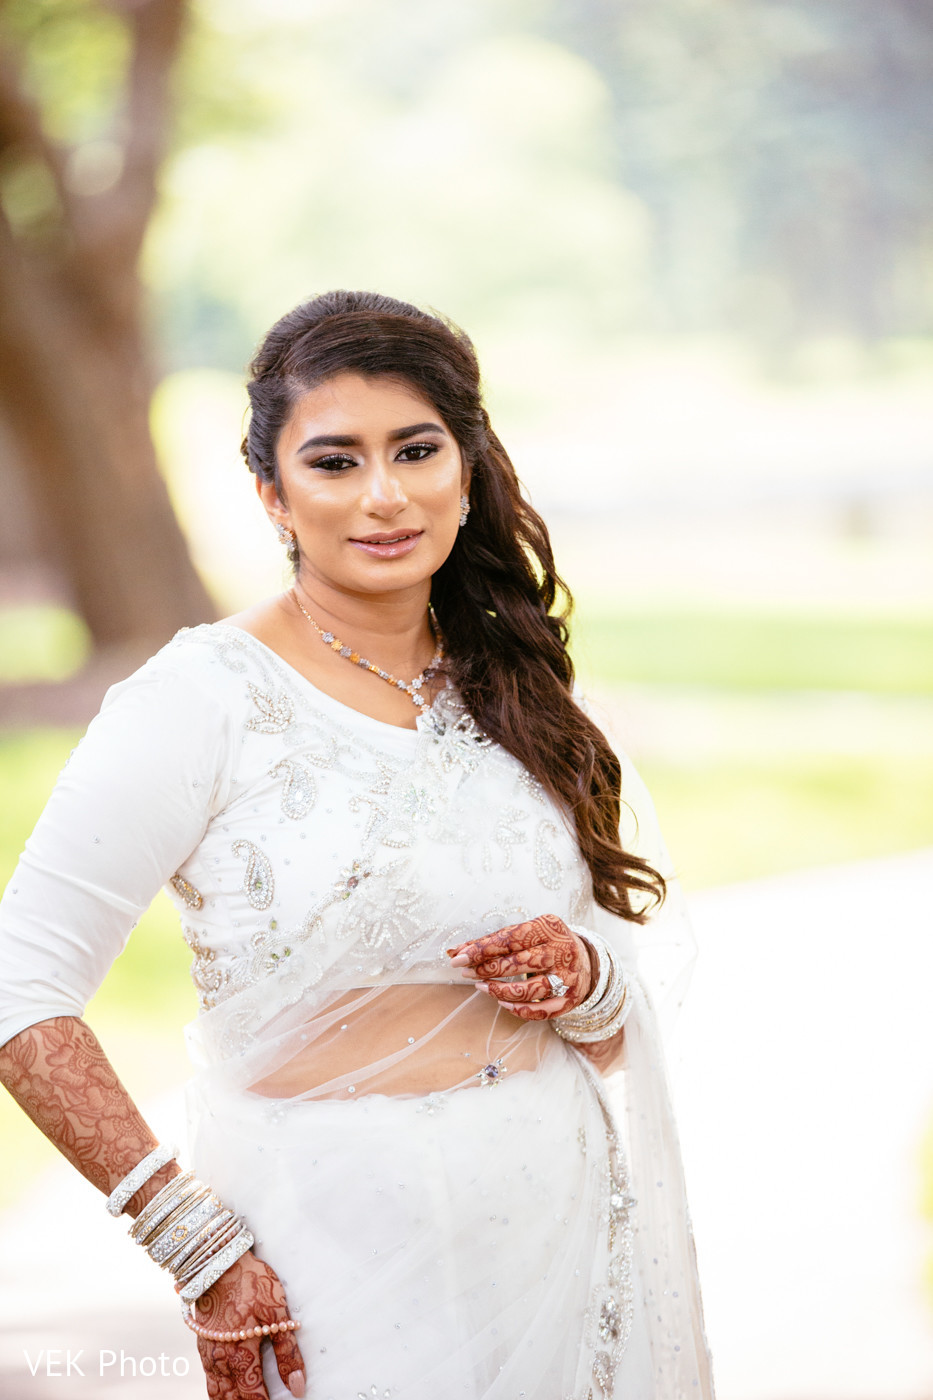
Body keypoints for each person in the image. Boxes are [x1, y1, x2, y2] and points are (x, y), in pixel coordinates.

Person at [0, 290, 714, 1400]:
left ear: (466, 471)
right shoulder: (198, 699)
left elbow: (638, 968)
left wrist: (583, 972)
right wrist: (193, 1240)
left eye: (416, 450)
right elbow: (19, 982)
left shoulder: (515, 686)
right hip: (324, 1251)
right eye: (335, 462)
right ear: (272, 497)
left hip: (560, 1221)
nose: (384, 495)